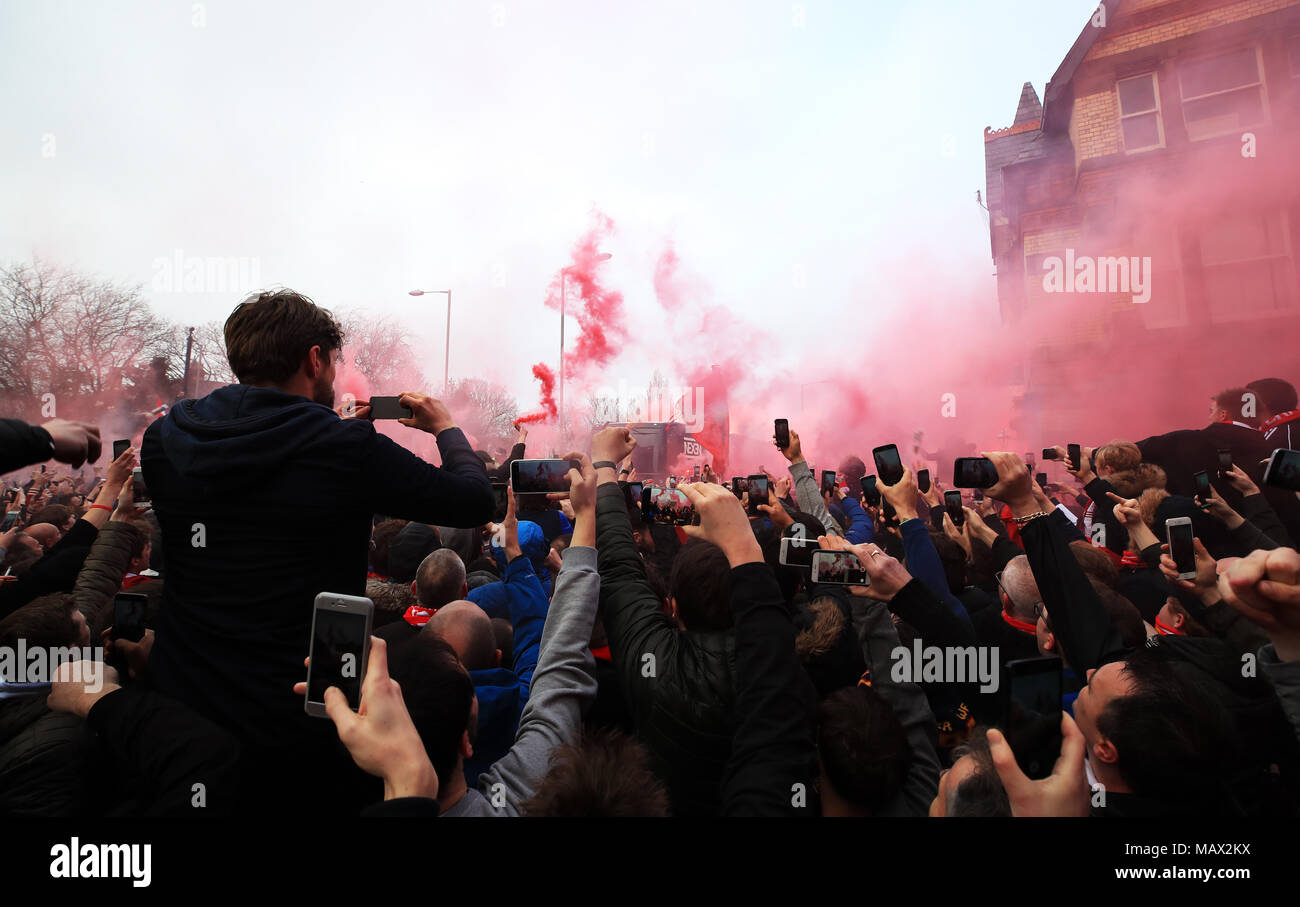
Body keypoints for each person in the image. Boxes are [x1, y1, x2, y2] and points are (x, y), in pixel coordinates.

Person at [139, 288, 495, 813]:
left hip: (184, 706)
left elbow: (257, 477)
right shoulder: (341, 449)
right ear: (314, 359)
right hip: (302, 715)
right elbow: (472, 499)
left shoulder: (164, 439)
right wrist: (445, 427)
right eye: (334, 361)